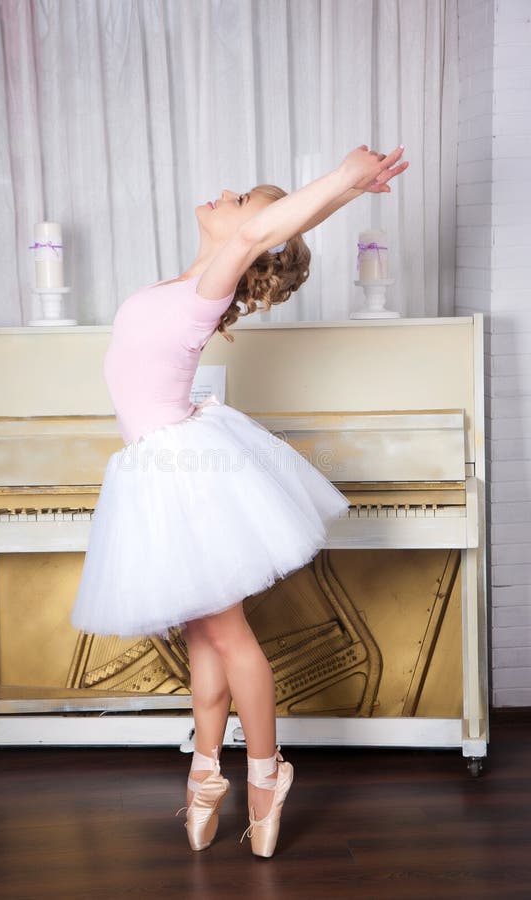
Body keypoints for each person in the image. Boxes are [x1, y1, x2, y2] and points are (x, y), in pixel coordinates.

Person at [70, 144, 409, 857]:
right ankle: (205, 769)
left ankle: (265, 776)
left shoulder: (214, 284)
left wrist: (347, 179)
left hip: (181, 477)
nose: (223, 195)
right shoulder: (190, 279)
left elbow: (266, 232)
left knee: (226, 636)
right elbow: (269, 231)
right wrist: (343, 196)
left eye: (240, 203)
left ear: (248, 238)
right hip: (163, 468)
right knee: (203, 637)